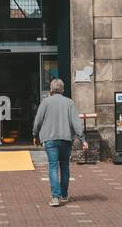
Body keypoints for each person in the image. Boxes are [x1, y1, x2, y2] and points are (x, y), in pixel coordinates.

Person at [32, 79, 87, 207]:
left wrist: (35, 135)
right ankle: (64, 195)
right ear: (63, 89)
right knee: (65, 167)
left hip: (50, 139)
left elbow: (37, 122)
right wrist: (83, 139)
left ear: (50, 90)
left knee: (53, 167)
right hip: (66, 139)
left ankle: (55, 197)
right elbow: (76, 123)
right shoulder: (69, 103)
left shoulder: (45, 102)